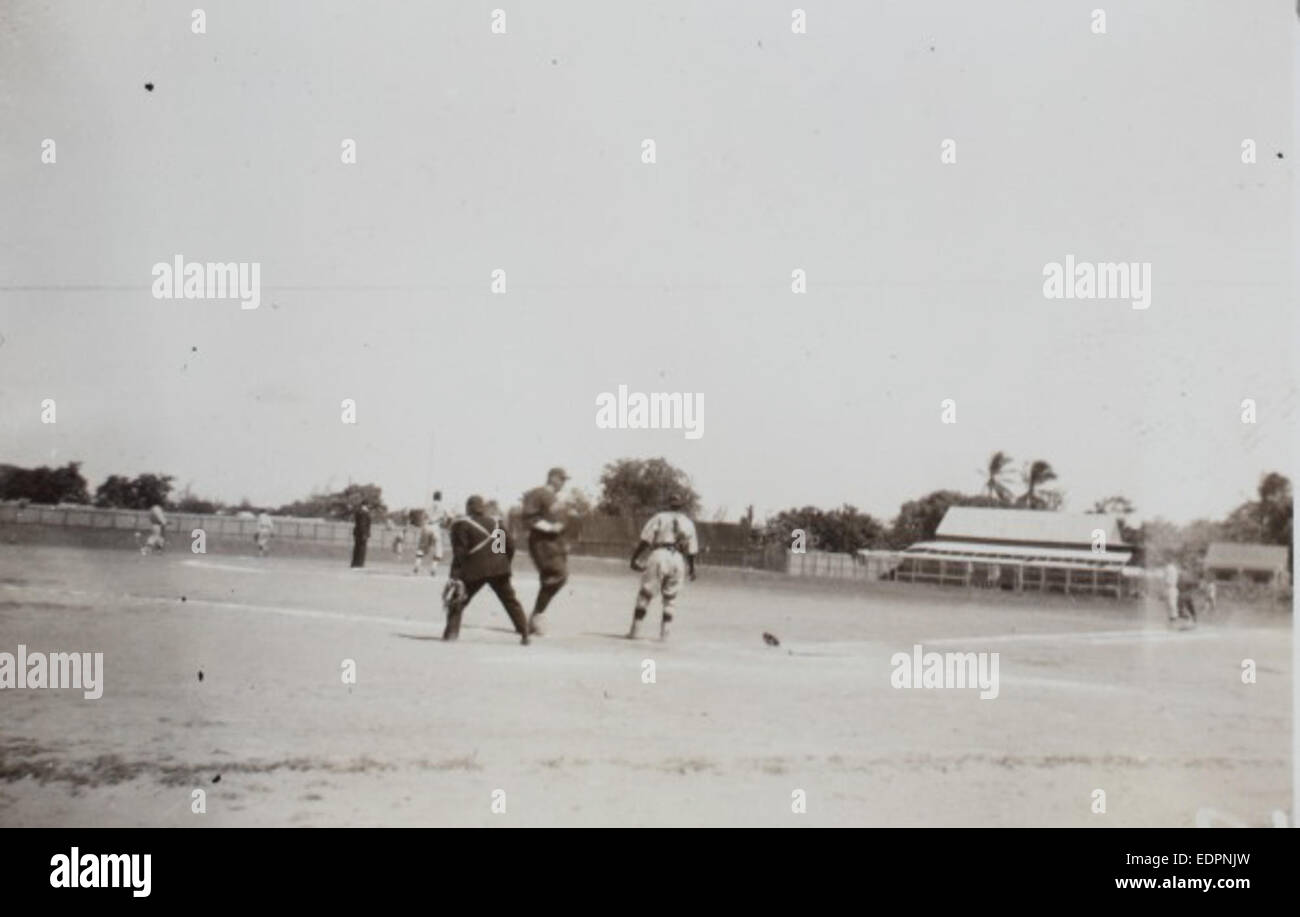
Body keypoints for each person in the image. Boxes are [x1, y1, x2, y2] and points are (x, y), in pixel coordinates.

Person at [443, 495, 530, 645]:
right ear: (482, 508)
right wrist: (504, 564)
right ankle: (525, 633)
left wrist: (455, 576)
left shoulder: (463, 525)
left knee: (458, 600)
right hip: (499, 569)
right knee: (510, 601)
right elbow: (508, 547)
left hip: (474, 571)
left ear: (468, 508)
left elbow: (460, 553)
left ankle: (451, 633)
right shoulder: (497, 523)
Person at [626, 494, 699, 641]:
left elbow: (646, 540)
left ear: (668, 504)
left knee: (645, 594)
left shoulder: (659, 517)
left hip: (659, 554)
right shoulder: (688, 523)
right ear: (682, 506)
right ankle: (664, 635)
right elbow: (691, 550)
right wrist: (692, 568)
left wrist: (635, 557)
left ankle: (635, 632)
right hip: (678, 558)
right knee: (671, 598)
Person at [521, 467, 570, 635]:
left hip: (555, 543)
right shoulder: (538, 493)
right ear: (552, 478)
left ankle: (535, 618)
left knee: (553, 578)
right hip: (542, 542)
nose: (563, 483)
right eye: (561, 479)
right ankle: (537, 616)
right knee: (559, 575)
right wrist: (549, 528)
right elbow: (528, 518)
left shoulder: (555, 498)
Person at [351, 502, 371, 568]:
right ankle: (359, 564)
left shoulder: (358, 512)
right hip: (362, 533)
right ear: (365, 506)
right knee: (361, 549)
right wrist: (364, 534)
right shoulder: (364, 514)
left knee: (357, 548)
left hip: (357, 533)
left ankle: (354, 563)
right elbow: (363, 524)